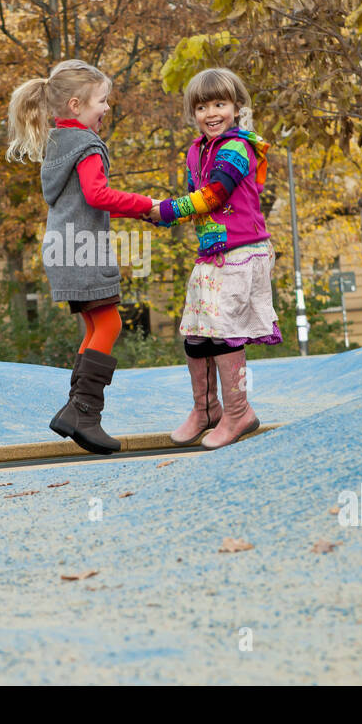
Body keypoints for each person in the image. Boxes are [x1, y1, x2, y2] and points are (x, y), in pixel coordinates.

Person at [7, 59, 157, 454]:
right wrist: (148, 205)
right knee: (110, 324)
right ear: (76, 105)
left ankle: (76, 410)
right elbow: (98, 196)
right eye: (101, 101)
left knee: (96, 326)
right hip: (82, 249)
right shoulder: (87, 145)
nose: (107, 108)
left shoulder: (57, 142)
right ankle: (84, 413)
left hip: (61, 247)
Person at [149, 68, 280, 449]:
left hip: (243, 251)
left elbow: (216, 194)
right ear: (193, 112)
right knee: (195, 332)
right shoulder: (195, 151)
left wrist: (168, 209)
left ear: (236, 107)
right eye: (202, 106)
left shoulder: (238, 148)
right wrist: (156, 213)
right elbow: (195, 206)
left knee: (224, 330)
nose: (211, 113)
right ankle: (206, 408)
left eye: (220, 104)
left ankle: (239, 413)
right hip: (211, 254)